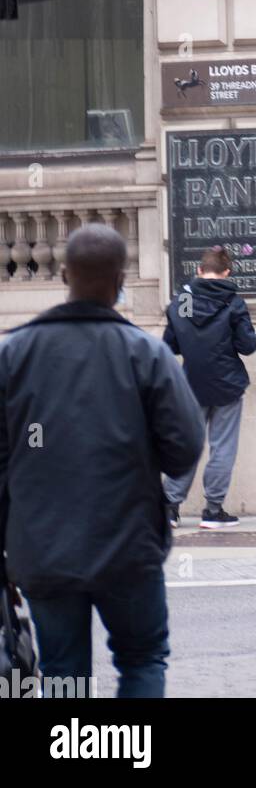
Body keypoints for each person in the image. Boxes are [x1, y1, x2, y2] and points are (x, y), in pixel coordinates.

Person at [0, 224, 204, 698]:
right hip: (128, 546)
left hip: (41, 549)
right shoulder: (146, 354)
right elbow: (184, 447)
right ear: (121, 278)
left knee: (63, 671)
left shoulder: (13, 354)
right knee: (141, 659)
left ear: (65, 273)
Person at [162, 245, 256, 529]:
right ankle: (213, 511)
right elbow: (248, 346)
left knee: (187, 445)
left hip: (191, 385)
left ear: (199, 271)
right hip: (227, 385)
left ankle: (170, 506)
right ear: (227, 272)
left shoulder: (181, 303)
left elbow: (170, 346)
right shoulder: (233, 303)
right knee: (222, 447)